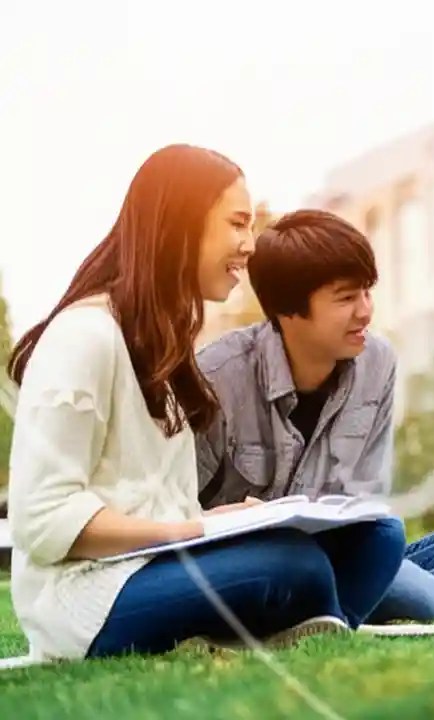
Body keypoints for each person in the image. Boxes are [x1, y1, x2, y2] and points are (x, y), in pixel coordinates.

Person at [6, 145, 406, 662]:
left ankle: (291, 632)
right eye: (237, 224)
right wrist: (197, 529)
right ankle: (306, 631)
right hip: (89, 594)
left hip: (158, 564)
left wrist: (224, 519)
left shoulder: (159, 342)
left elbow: (151, 499)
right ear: (182, 226)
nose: (250, 244)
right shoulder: (86, 337)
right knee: (295, 565)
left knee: (379, 537)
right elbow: (40, 522)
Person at [195, 209, 434, 622]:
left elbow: (365, 503)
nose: (365, 311)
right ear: (289, 311)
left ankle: (383, 600)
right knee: (424, 600)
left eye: (367, 292)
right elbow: (174, 515)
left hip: (360, 554)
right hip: (268, 570)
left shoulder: (376, 362)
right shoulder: (217, 378)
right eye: (346, 298)